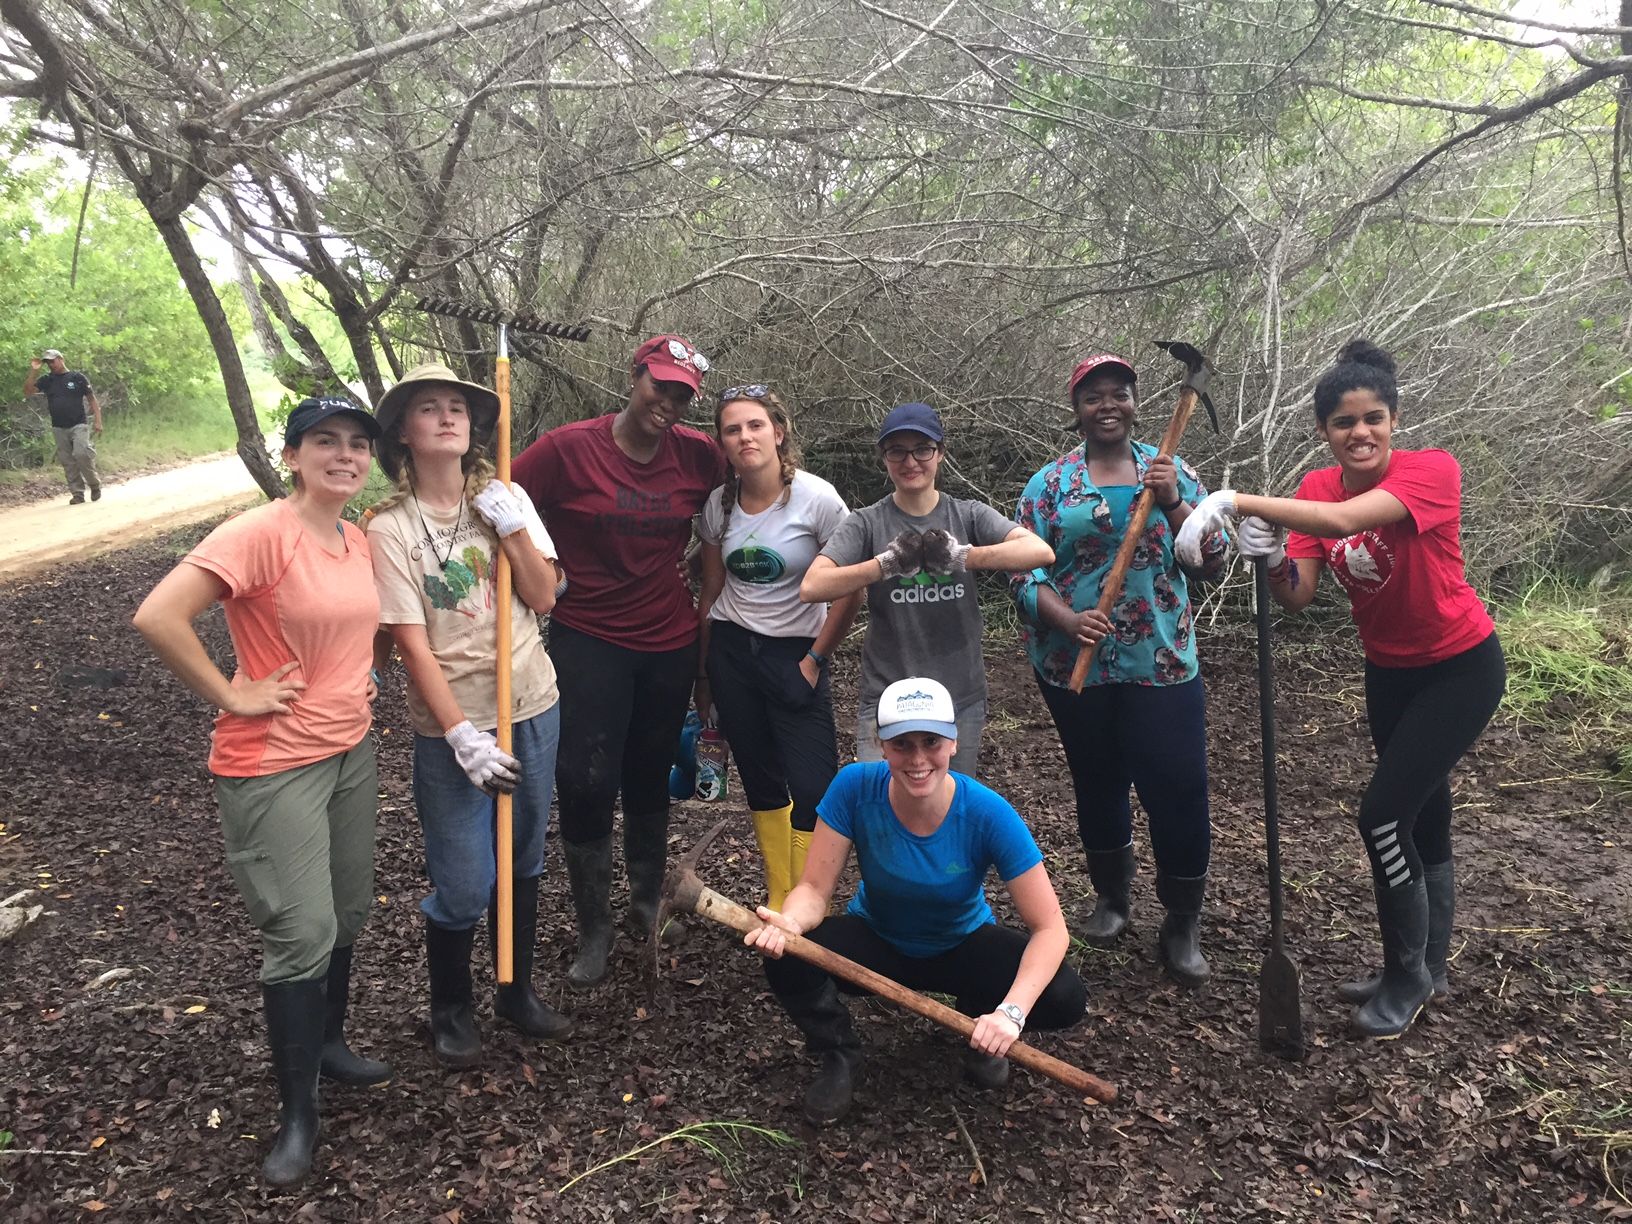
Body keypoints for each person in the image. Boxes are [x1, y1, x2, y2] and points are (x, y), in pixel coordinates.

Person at [1176, 340, 1506, 1039]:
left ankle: (1409, 978)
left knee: (1382, 817)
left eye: (1373, 418)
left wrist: (1232, 499)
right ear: (1323, 430)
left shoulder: (1430, 472)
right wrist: (1267, 558)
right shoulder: (1315, 487)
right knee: (1423, 815)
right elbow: (1297, 594)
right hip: (1390, 672)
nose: (1360, 432)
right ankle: (1420, 968)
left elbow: (1347, 524)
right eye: (1344, 422)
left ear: (1393, 420)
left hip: (1461, 666)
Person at [132, 396, 388, 1186]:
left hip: (350, 751)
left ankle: (332, 1047)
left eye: (356, 444)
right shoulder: (259, 533)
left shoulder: (354, 538)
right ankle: (297, 1111)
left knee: (347, 909)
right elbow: (158, 615)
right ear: (293, 455)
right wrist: (232, 694)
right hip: (274, 761)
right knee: (299, 928)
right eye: (324, 442)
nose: (342, 455)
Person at [745, 677, 1088, 1125]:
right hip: (878, 943)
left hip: (960, 946)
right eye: (902, 744)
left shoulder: (988, 813)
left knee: (1064, 996)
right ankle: (840, 1054)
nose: (919, 758)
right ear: (880, 745)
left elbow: (1050, 928)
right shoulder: (853, 787)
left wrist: (1010, 1013)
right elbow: (813, 890)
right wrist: (790, 923)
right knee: (786, 954)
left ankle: (980, 1027)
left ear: (953, 740)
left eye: (931, 741)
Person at [366, 362, 570, 1067]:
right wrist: (460, 736)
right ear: (404, 432)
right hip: (455, 728)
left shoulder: (505, 497)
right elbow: (410, 644)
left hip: (532, 704)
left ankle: (516, 989)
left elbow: (544, 598)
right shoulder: (390, 528)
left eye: (457, 406)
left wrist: (514, 533)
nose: (448, 417)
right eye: (429, 409)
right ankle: (451, 1007)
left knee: (522, 858)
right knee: (462, 880)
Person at [511, 335, 724, 987]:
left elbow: (738, 510)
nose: (668, 402)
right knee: (584, 780)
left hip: (668, 642)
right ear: (633, 376)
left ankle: (643, 904)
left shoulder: (698, 456)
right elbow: (504, 504)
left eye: (682, 394)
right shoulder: (568, 450)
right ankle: (593, 929)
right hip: (587, 639)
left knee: (648, 774)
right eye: (659, 385)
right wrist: (543, 566)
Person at [1010, 353, 1228, 986]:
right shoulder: (1049, 486)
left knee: (1178, 787)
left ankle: (1182, 920)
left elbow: (1212, 560)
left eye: (1119, 394)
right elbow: (1024, 569)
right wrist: (1063, 618)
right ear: (1076, 410)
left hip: (1160, 664)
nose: (1107, 405)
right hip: (1075, 662)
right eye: (1092, 397)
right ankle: (1112, 898)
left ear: (1135, 402)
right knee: (1098, 780)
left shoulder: (1174, 472)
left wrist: (1174, 504)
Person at [800, 402, 1053, 774]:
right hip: (886, 693)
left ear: (940, 454)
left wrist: (962, 556)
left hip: (959, 695)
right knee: (879, 801)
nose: (910, 461)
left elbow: (1038, 550)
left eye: (922, 449)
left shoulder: (968, 514)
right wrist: (884, 565)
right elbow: (812, 586)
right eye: (897, 451)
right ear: (883, 458)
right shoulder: (866, 523)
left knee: (946, 806)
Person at [695, 385, 860, 908]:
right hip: (732, 651)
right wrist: (703, 676)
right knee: (762, 781)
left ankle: (810, 901)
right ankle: (779, 892)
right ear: (722, 443)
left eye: (755, 425)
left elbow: (851, 585)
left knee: (814, 788)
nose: (745, 436)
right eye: (732, 429)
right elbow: (713, 587)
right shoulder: (719, 505)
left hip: (796, 655)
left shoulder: (817, 499)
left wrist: (816, 659)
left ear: (778, 432)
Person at [25, 348, 103, 504]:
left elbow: (91, 399)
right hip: (59, 426)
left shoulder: (77, 377)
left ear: (61, 359)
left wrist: (98, 420)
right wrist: (34, 372)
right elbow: (27, 391)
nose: (51, 365)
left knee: (82, 454)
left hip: (79, 423)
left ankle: (94, 484)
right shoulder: (47, 380)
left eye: (52, 361)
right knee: (67, 460)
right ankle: (77, 494)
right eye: (47, 363)